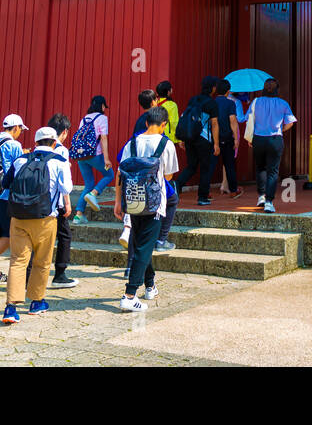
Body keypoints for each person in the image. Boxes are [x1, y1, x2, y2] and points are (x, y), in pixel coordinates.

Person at [0, 126, 73, 324]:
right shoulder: (60, 161)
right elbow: (66, 188)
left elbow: (6, 183)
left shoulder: (20, 160)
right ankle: (36, 302)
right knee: (41, 261)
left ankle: (10, 308)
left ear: (35, 142)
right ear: (54, 142)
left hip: (19, 218)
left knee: (18, 261)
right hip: (45, 218)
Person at [114, 107, 178, 312]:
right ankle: (129, 295)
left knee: (142, 242)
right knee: (144, 247)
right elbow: (168, 176)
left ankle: (149, 286)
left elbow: (119, 174)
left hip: (133, 201)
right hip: (154, 203)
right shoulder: (166, 144)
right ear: (164, 124)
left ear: (145, 122)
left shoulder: (131, 143)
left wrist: (118, 202)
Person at [0, 114, 27, 288]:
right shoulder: (14, 144)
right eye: (20, 130)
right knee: (8, 235)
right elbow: (17, 168)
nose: (20, 133)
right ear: (16, 128)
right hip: (4, 193)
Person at [249, 79, 296, 214]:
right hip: (275, 138)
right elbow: (290, 122)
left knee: (260, 168)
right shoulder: (283, 103)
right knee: (273, 171)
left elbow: (248, 119)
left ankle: (261, 196)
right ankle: (269, 202)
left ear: (263, 89)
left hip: (258, 138)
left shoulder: (256, 102)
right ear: (277, 89)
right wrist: (281, 129)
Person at [43, 113, 78, 288]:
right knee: (65, 236)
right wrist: (67, 202)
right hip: (56, 202)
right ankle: (60, 274)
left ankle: (28, 277)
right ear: (64, 132)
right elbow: (63, 181)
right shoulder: (62, 149)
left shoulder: (41, 145)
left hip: (40, 200)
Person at [175, 77, 219, 206]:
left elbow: (187, 119)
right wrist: (216, 144)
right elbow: (215, 124)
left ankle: (177, 186)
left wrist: (183, 138)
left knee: (191, 166)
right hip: (204, 139)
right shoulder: (211, 103)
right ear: (213, 88)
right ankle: (202, 197)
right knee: (205, 168)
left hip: (190, 137)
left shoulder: (193, 99)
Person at [71, 97, 112, 224]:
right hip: (95, 155)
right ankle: (93, 194)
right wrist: (106, 158)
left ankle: (78, 215)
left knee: (88, 184)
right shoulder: (102, 118)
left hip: (81, 156)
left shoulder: (84, 118)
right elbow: (103, 138)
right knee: (109, 174)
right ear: (102, 106)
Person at [213, 79, 243, 200]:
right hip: (226, 137)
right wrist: (236, 138)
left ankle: (204, 192)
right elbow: (233, 121)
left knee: (210, 165)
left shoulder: (212, 103)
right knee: (229, 164)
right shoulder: (230, 103)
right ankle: (233, 190)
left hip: (213, 138)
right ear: (228, 91)